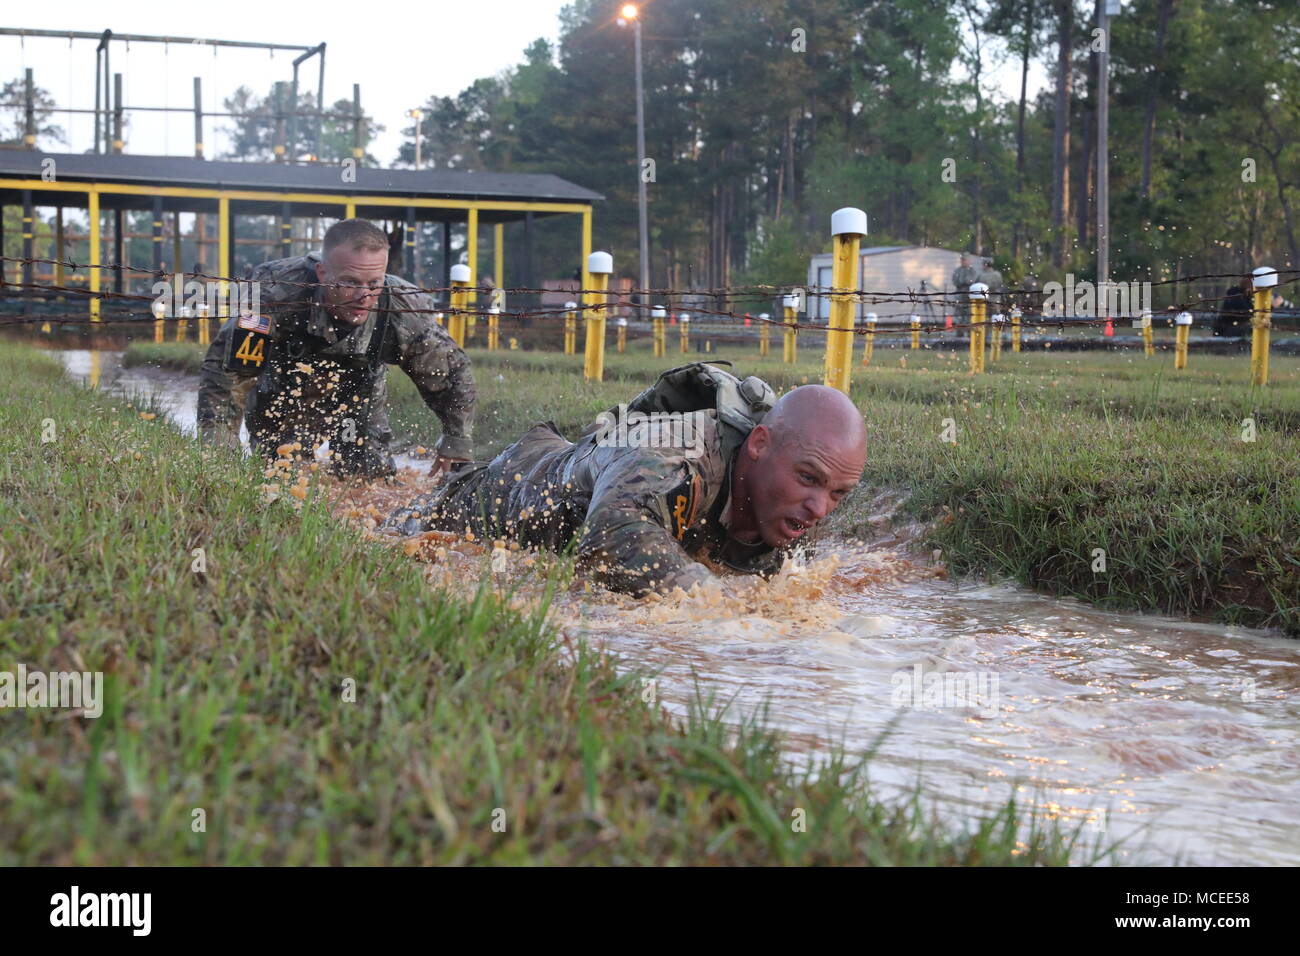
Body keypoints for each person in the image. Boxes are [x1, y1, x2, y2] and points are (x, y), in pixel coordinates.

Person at [383, 363, 868, 596]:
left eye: (838, 493)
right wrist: (720, 607)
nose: (820, 508)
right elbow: (611, 532)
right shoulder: (675, 450)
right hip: (501, 496)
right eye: (809, 479)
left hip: (570, 489)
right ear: (759, 445)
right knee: (392, 531)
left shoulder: (800, 502)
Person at [197, 219, 475, 478]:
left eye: (373, 283)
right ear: (322, 272)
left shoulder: (402, 310)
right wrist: (220, 451)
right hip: (282, 393)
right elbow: (229, 374)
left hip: (360, 396)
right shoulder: (274, 294)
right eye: (350, 282)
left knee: (369, 479)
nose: (362, 296)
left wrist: (456, 438)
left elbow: (451, 374)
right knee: (280, 479)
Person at [951, 254, 980, 331]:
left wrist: (966, 282)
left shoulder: (973, 271)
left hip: (969, 294)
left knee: (969, 313)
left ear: (969, 260)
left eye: (965, 260)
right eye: (962, 260)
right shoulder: (958, 270)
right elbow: (955, 281)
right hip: (960, 294)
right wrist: (963, 282)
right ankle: (959, 330)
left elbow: (973, 281)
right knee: (959, 313)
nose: (963, 261)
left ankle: (968, 330)